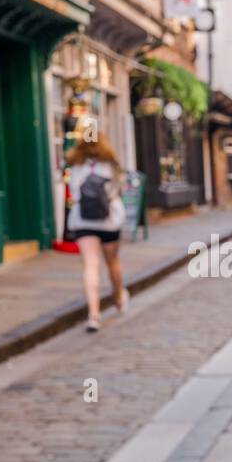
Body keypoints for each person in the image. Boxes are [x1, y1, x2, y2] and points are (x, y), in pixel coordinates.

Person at [66, 134, 129, 332]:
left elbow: (74, 193)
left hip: (84, 220)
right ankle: (119, 297)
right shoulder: (111, 163)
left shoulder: (75, 165)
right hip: (109, 220)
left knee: (91, 264)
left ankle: (94, 315)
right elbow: (120, 189)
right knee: (113, 262)